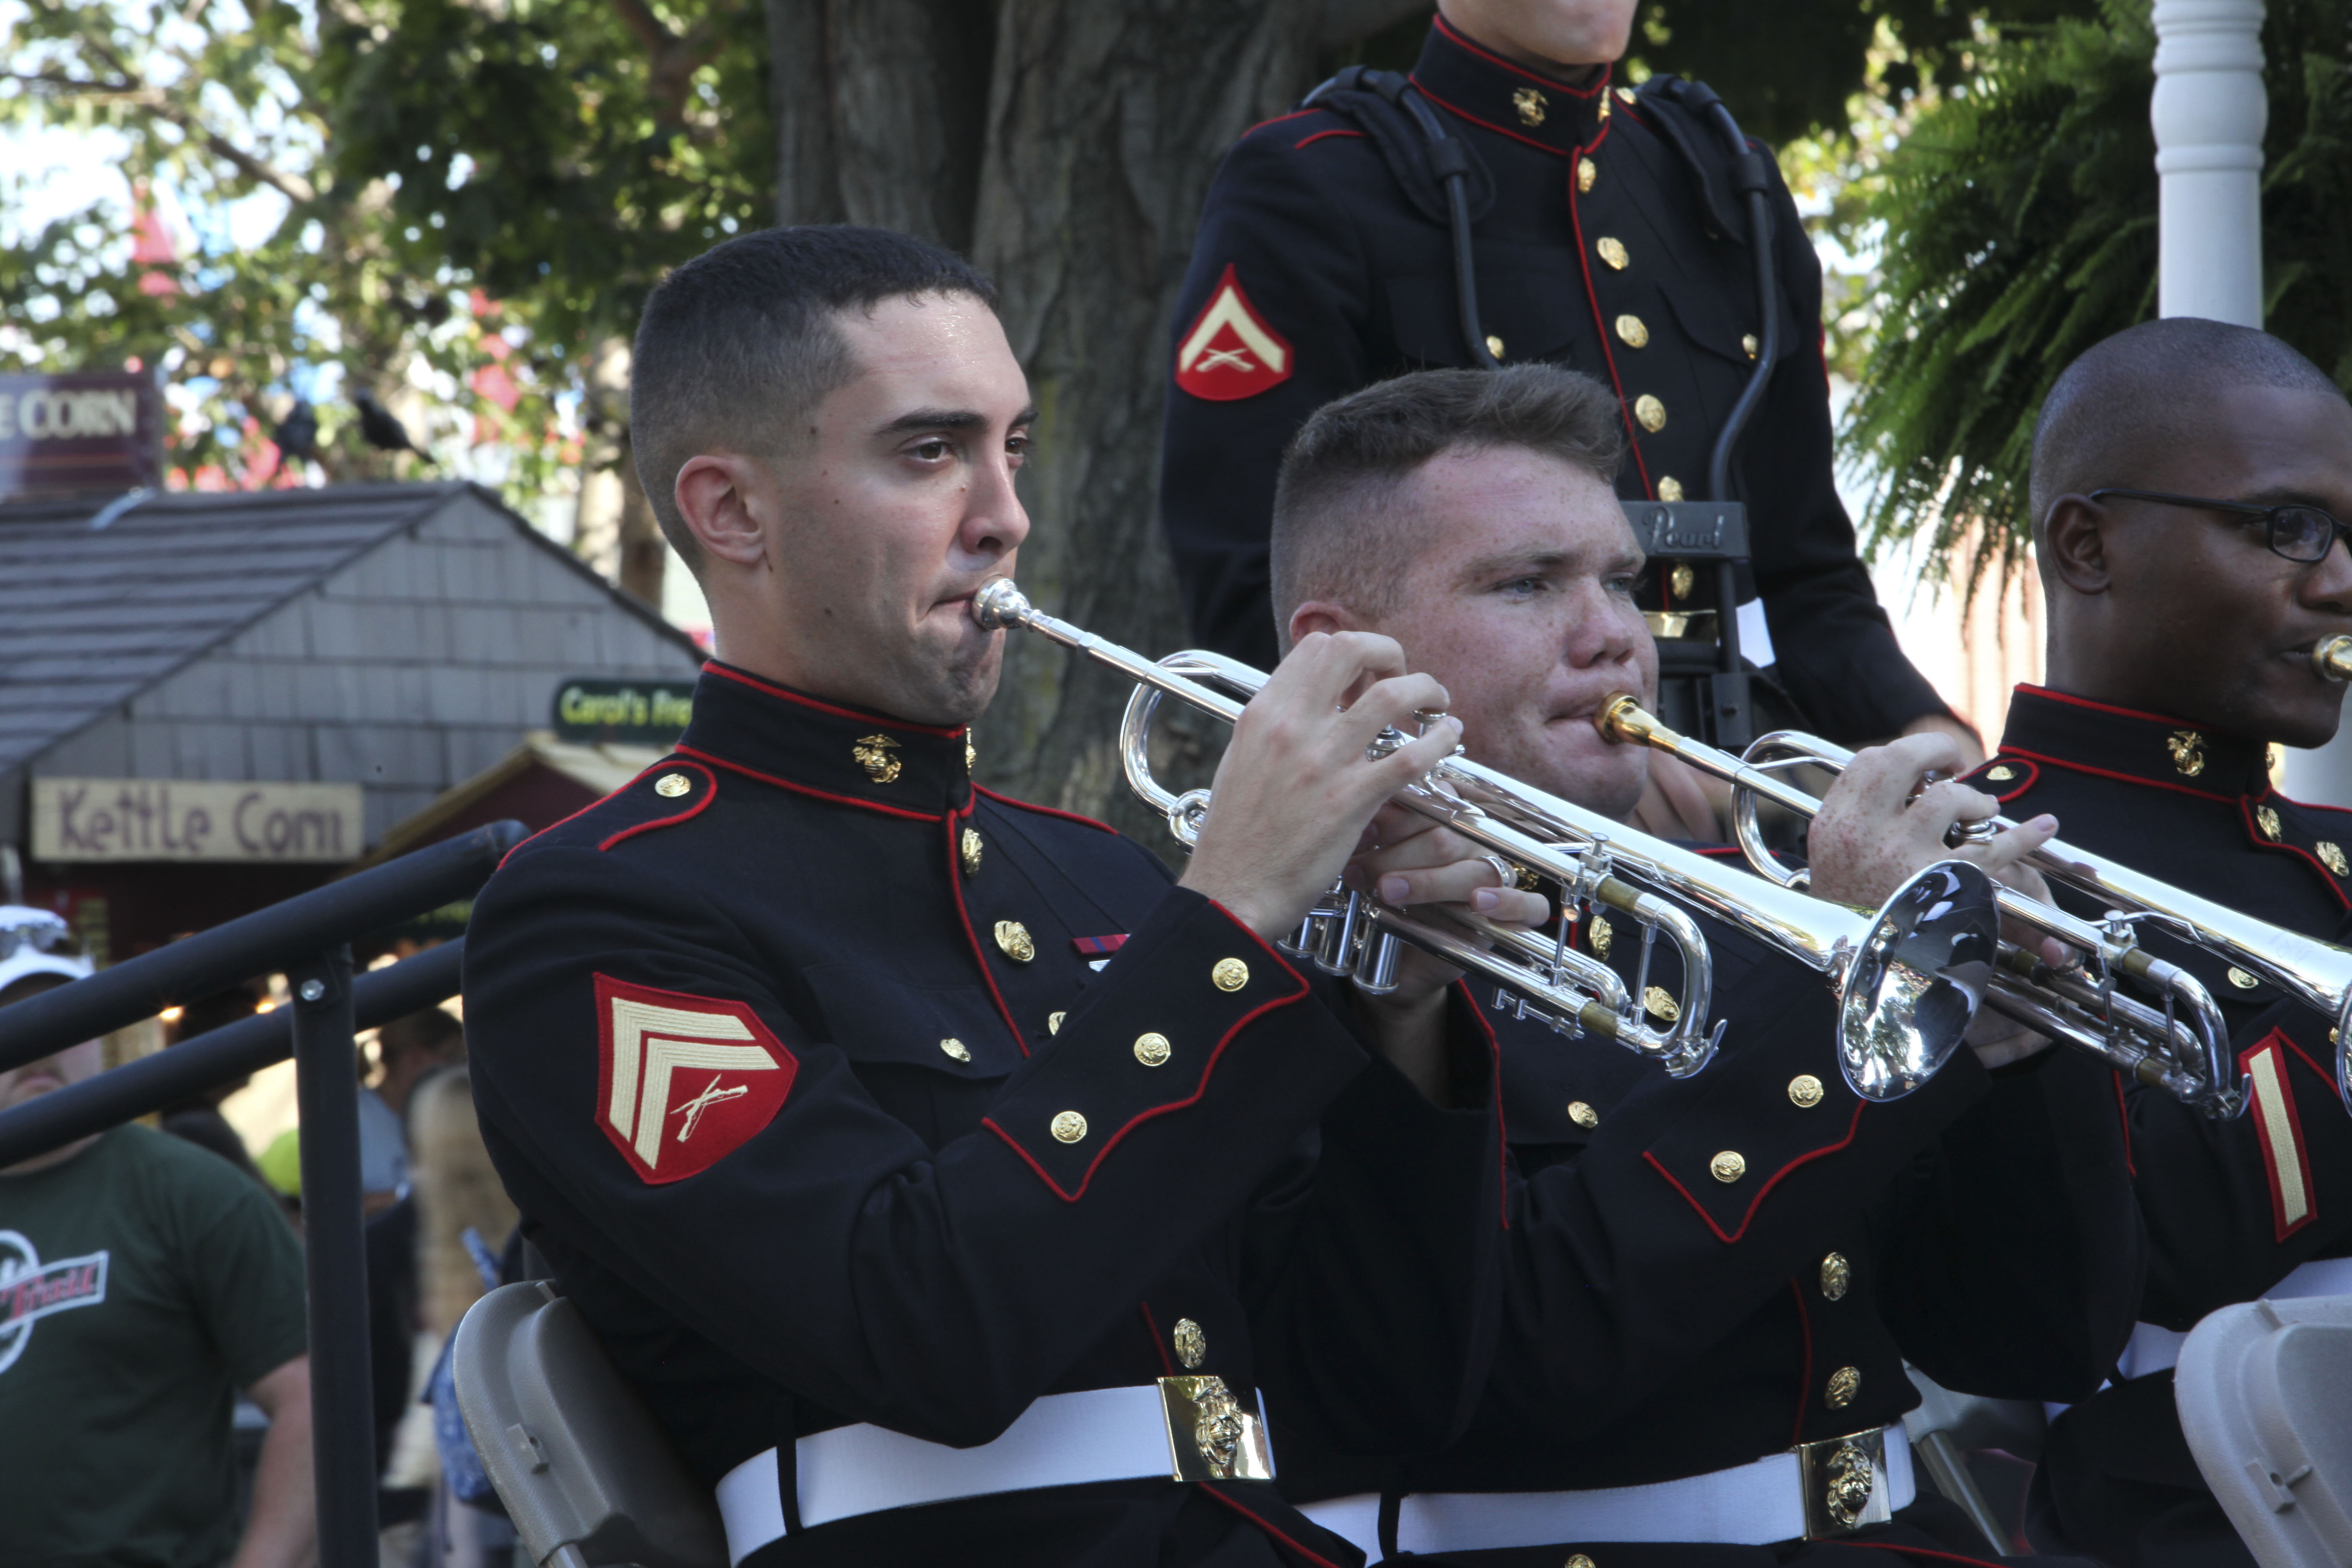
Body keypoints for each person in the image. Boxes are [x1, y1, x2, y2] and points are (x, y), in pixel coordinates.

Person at [462, 224, 1550, 1568]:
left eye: (1014, 447)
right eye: (930, 452)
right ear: (731, 512)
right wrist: (1226, 922)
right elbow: (924, 1334)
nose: (1006, 516)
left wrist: (1398, 1014)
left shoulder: (1088, 869)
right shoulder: (602, 915)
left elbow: (1375, 1387)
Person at [1259, 365, 2142, 1565]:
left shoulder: (1736, 908)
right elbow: (1520, 1362)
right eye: (1528, 584)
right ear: (1344, 652)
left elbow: (2031, 1341)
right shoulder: (1300, 954)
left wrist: (2017, 1035)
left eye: (1622, 582)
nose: (1614, 635)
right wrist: (1845, 988)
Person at [1160, 0, 1973, 766]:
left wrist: (1923, 734)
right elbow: (1254, 594)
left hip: (1737, 773)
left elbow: (1803, 576)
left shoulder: (1727, 187)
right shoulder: (1317, 182)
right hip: (1467, 816)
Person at [1960, 317, 2352, 1568]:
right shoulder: (1977, 868)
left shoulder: (2332, 854)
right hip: (2190, 1510)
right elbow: (2038, 1318)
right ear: (2089, 544)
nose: (2339, 576)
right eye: (2285, 528)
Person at [0, 907, 317, 1568]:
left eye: (65, 1017)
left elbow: (313, 1397)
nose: (45, 1043)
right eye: (15, 1020)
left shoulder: (189, 1192)